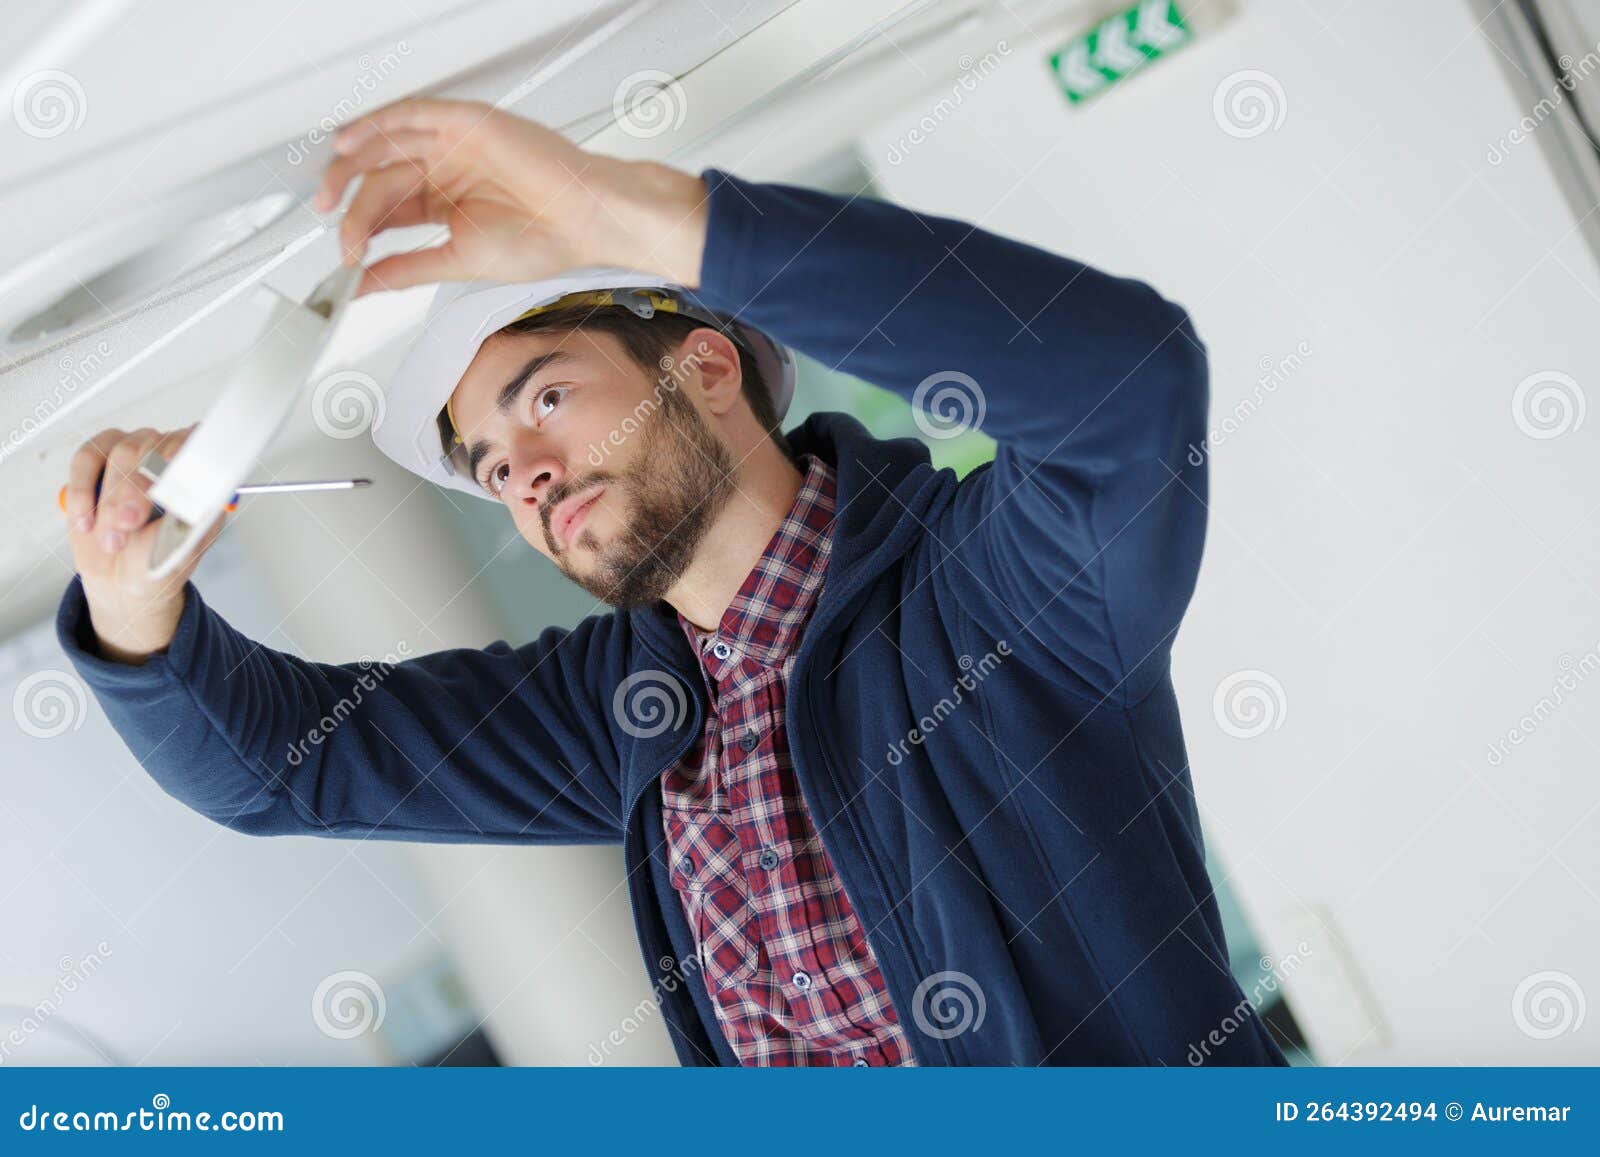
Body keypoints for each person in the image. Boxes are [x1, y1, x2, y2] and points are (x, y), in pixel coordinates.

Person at [56, 99, 1287, 1067]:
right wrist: (131, 598)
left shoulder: (991, 598)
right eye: (488, 468)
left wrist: (629, 214)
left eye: (546, 397)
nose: (524, 473)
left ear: (703, 365)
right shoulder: (616, 714)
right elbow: (282, 763)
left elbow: (1128, 386)